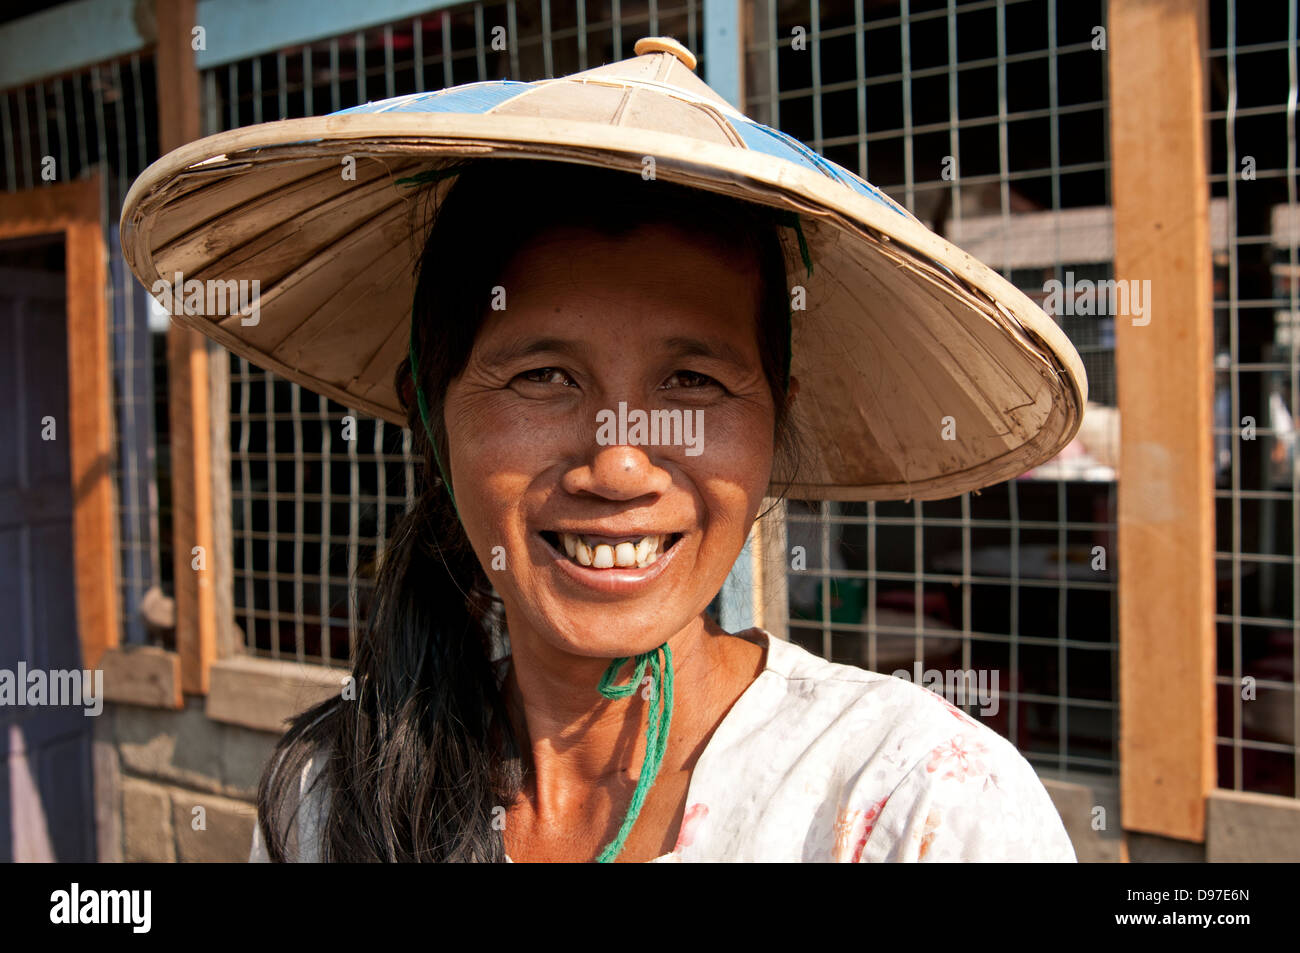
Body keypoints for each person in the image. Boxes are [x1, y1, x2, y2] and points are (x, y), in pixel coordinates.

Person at [121, 37, 1086, 862]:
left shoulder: (915, 809)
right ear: (430, 411)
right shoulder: (333, 798)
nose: (621, 464)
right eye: (544, 377)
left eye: (694, 383)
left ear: (773, 420)